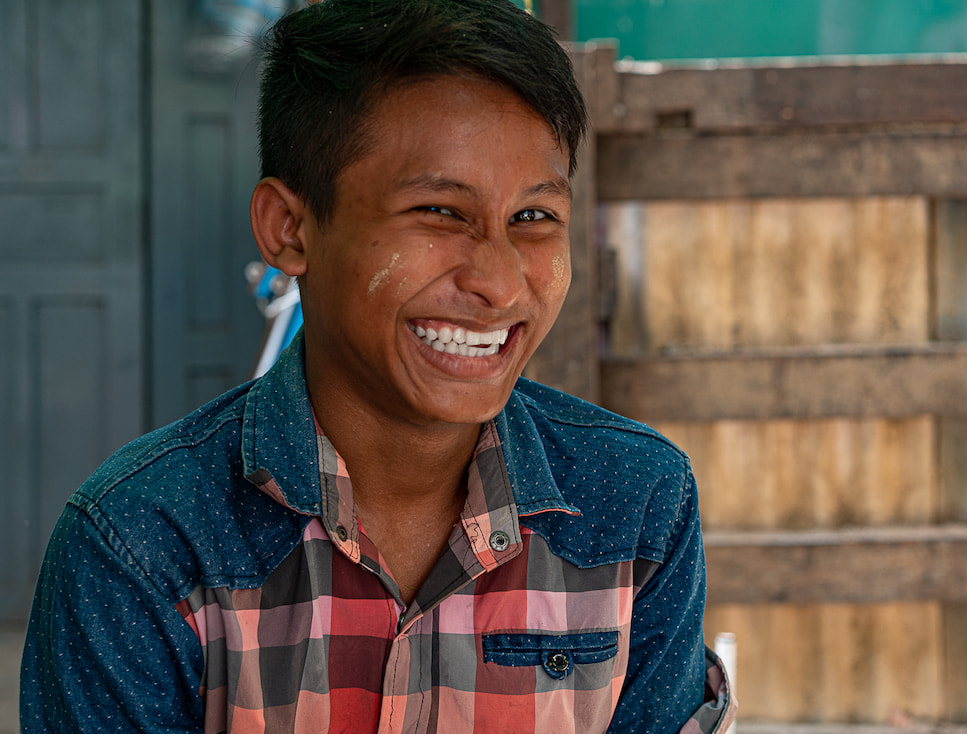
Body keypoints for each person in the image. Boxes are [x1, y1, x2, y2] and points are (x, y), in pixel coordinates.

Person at [21, 0, 734, 731]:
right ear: (289, 229)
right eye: (439, 213)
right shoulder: (139, 544)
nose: (498, 281)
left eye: (533, 218)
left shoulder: (635, 506)